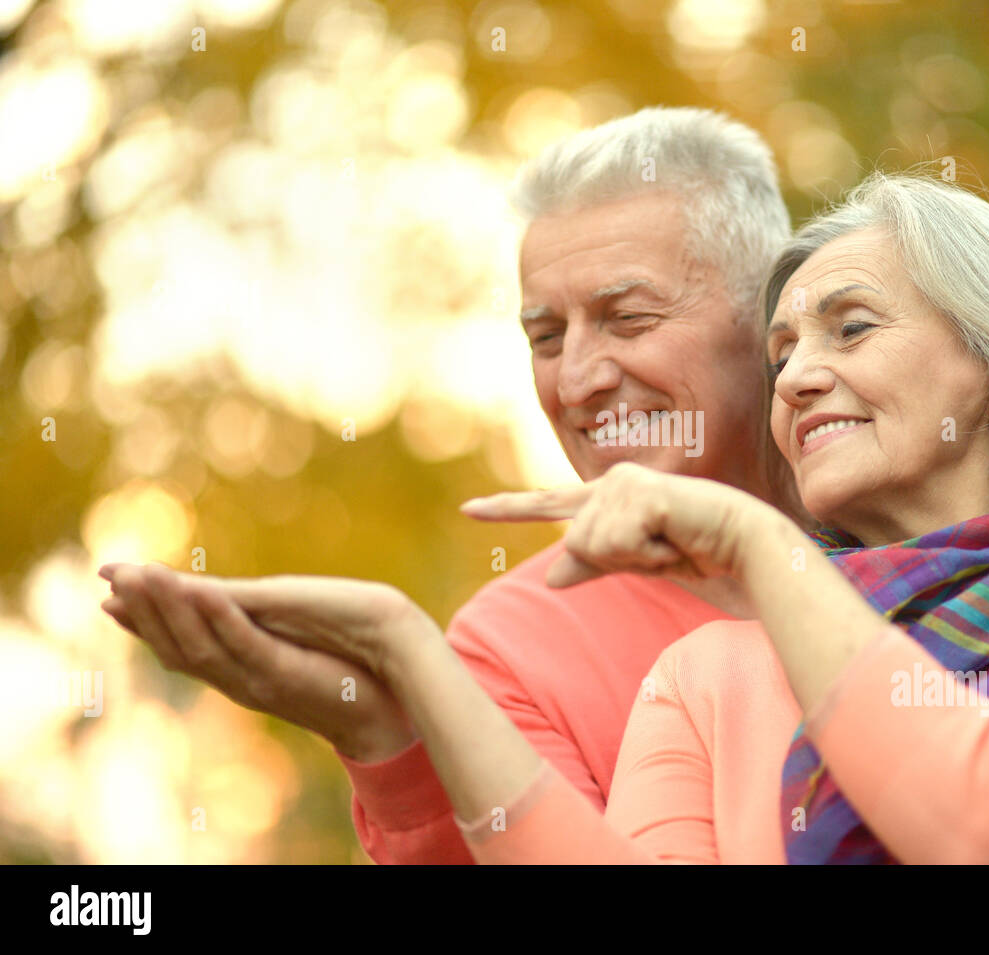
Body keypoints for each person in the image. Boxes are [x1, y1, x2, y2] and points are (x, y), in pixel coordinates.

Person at [112, 169, 989, 863]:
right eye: (781, 350)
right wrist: (406, 666)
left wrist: (760, 544)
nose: (796, 378)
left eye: (851, 328)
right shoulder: (711, 674)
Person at [97, 107, 798, 864]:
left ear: (770, 319)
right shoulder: (511, 645)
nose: (578, 380)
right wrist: (387, 737)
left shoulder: (908, 519)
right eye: (547, 338)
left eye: (628, 318)